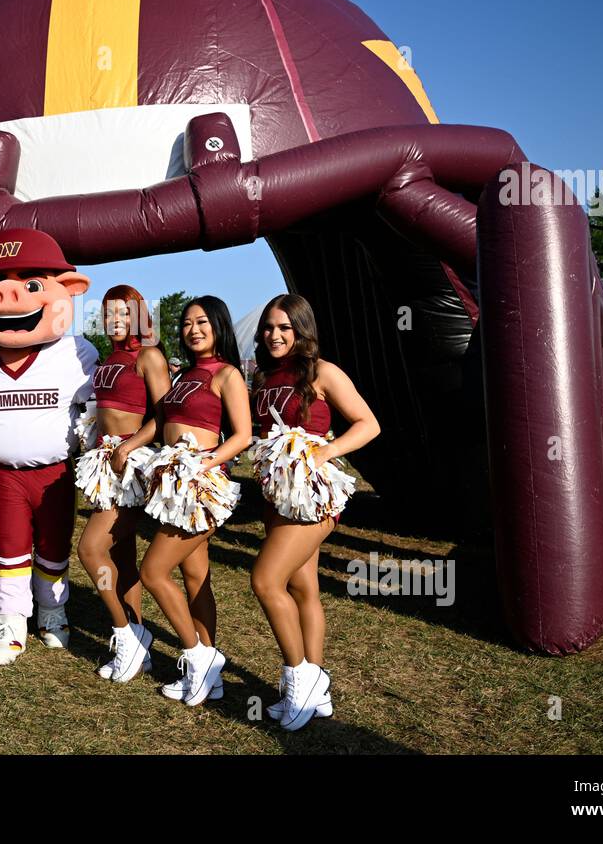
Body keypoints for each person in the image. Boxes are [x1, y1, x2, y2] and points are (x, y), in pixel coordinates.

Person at [0, 228, 98, 665]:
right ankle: (11, 621)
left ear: (67, 291)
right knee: (9, 547)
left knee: (54, 546)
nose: (9, 297)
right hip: (3, 474)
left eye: (31, 284)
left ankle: (53, 613)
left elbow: (100, 409)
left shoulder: (77, 352)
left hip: (54, 472)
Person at [249, 294, 379, 731]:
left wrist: (326, 452)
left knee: (266, 581)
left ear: (302, 330)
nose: (275, 335)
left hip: (311, 496)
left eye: (285, 328)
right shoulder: (266, 376)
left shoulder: (323, 372)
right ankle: (316, 685)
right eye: (269, 327)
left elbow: (368, 423)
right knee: (304, 587)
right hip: (276, 494)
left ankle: (298, 677)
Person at [113, 295, 252, 705]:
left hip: (200, 487)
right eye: (188, 323)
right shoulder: (185, 374)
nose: (193, 329)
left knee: (154, 572)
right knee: (195, 578)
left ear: (219, 326)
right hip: (174, 485)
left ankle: (200, 657)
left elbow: (242, 435)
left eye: (203, 322)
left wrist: (205, 463)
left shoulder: (227, 375)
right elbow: (163, 422)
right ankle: (212, 678)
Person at [75, 286, 171, 682]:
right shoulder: (107, 358)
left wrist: (129, 446)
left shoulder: (148, 356)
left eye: (122, 313)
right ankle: (137, 636)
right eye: (108, 313)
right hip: (105, 464)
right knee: (122, 558)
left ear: (138, 316)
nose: (114, 320)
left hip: (131, 466)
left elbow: (165, 415)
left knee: (90, 549)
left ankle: (126, 636)